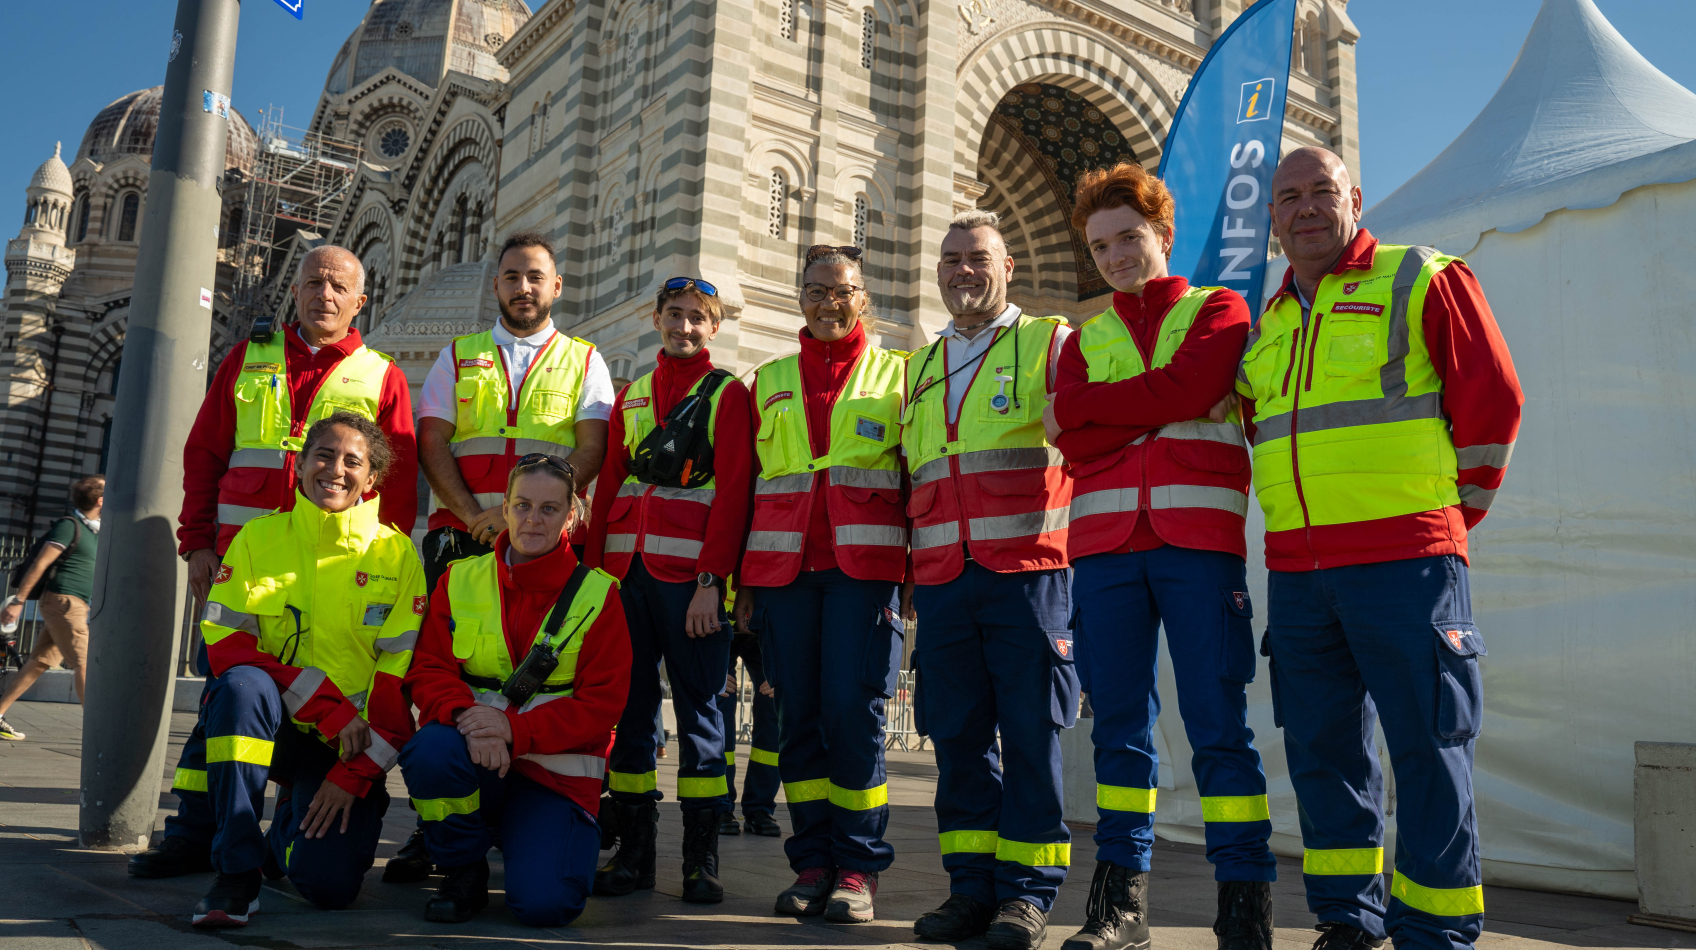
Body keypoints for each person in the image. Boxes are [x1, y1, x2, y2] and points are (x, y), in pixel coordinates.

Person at [1236, 147, 1522, 950]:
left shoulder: (1420, 275)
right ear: (1272, 220)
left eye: (1321, 191)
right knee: (1325, 756)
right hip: (1297, 574)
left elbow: (1494, 400)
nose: (1304, 208)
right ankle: (1348, 922)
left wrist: (1447, 518)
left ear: (1353, 198)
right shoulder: (1271, 318)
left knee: (1427, 749)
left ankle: (1433, 931)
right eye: (1287, 197)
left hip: (1409, 565)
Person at [133, 245, 418, 879]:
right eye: (314, 282)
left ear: (359, 301)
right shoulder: (247, 358)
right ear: (295, 291)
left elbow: (395, 487)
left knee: (314, 699)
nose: (325, 294)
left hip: (342, 574)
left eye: (339, 286)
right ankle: (194, 830)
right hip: (247, 566)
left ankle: (287, 819)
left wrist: (382, 567)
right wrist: (198, 540)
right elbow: (205, 451)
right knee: (227, 699)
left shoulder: (382, 374)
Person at [1046, 163, 1274, 950]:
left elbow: (1108, 412)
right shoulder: (1082, 338)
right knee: (1118, 729)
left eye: (1128, 238)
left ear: (1163, 236)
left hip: (1198, 547)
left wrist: (1097, 418)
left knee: (1218, 726)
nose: (1114, 256)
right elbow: (1069, 426)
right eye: (1100, 245)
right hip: (1105, 552)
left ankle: (1244, 902)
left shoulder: (1220, 308)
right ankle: (1119, 904)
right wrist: (1157, 402)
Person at [396, 229, 614, 881]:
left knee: (537, 676)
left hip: (545, 557)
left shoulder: (584, 359)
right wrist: (475, 517)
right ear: (497, 285)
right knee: (448, 680)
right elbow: (432, 443)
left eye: (535, 276)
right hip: (464, 546)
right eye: (513, 276)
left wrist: (528, 517)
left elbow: (591, 447)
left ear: (557, 287)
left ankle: (522, 807)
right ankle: (440, 824)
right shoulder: (457, 357)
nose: (524, 287)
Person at [906, 211, 1077, 950]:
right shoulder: (918, 364)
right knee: (958, 740)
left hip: (1031, 576)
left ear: (1008, 265)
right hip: (945, 581)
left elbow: (1086, 448)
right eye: (949, 260)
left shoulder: (1049, 342)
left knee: (1032, 738)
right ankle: (970, 890)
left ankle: (1028, 896)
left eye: (976, 257)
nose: (961, 271)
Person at [180, 413, 424, 926]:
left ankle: (289, 824)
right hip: (270, 727)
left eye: (352, 462)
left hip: (346, 749)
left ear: (371, 479)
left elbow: (396, 688)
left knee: (328, 887)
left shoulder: (397, 554)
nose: (336, 470)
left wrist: (351, 777)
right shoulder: (255, 540)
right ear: (300, 465)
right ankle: (236, 874)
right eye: (324, 456)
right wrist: (325, 708)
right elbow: (225, 644)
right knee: (239, 689)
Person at [736, 245, 908, 923]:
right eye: (815, 290)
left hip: (863, 576)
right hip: (783, 578)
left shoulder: (899, 375)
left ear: (863, 297)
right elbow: (747, 488)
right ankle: (812, 861)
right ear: (799, 296)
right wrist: (741, 585)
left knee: (854, 717)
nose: (828, 302)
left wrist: (917, 579)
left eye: (842, 292)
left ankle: (858, 869)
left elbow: (917, 480)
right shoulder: (767, 379)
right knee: (795, 722)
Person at [398, 454, 632, 925]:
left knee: (547, 907)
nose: (533, 519)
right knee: (429, 752)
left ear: (571, 516)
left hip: (554, 776)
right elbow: (428, 669)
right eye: (522, 505)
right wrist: (472, 721)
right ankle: (464, 869)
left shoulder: (601, 594)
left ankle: (527, 833)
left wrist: (512, 730)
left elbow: (601, 703)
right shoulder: (458, 578)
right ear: (504, 508)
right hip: (475, 757)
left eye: (549, 509)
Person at [583, 277, 754, 904]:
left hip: (691, 585)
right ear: (656, 318)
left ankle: (700, 858)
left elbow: (734, 492)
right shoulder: (629, 396)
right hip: (625, 579)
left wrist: (714, 582)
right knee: (630, 716)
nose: (684, 327)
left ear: (714, 328)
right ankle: (634, 855)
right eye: (674, 315)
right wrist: (596, 578)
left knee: (704, 715)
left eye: (697, 319)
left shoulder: (729, 395)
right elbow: (607, 492)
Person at [0, 475, 104, 740]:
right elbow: (41, 564)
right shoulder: (69, 526)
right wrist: (18, 601)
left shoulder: (94, 530)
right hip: (64, 602)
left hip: (74, 603)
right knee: (85, 662)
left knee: (38, 662)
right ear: (100, 500)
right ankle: (98, 733)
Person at [715, 631, 783, 838]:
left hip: (765, 622)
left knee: (775, 699)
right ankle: (719, 804)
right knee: (720, 698)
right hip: (719, 622)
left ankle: (760, 808)